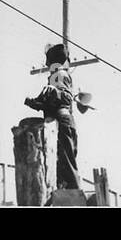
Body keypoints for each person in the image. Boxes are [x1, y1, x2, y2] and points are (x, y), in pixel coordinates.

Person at [24, 43, 81, 191]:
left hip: (62, 121)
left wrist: (53, 92)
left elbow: (66, 98)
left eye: (48, 60)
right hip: (57, 123)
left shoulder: (59, 75)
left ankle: (73, 194)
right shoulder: (54, 76)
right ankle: (64, 191)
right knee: (57, 162)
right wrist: (36, 103)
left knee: (66, 161)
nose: (46, 63)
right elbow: (53, 103)